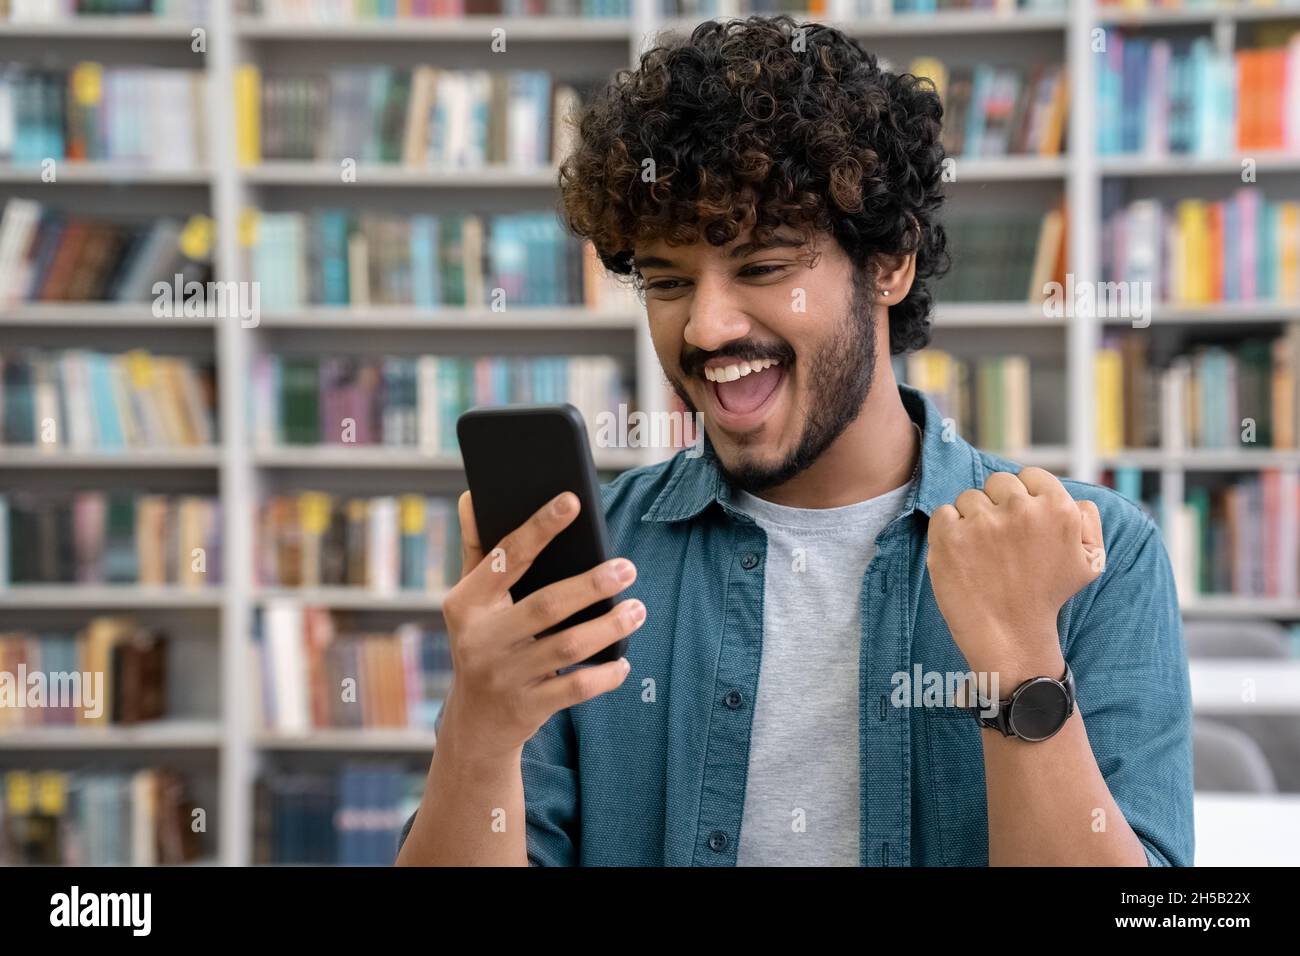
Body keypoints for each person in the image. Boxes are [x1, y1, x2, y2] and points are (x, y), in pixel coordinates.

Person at [395, 14, 1193, 867]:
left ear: (888, 262)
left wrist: (1021, 661)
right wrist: (480, 729)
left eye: (764, 267)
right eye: (667, 282)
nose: (705, 327)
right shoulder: (590, 564)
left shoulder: (1090, 555)